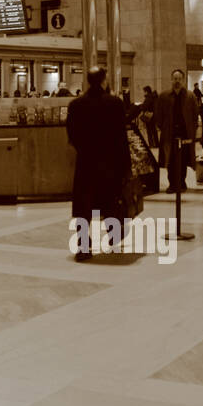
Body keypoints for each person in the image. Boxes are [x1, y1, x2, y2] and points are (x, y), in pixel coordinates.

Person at [65, 67, 131, 262]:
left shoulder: (76, 105)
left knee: (84, 206)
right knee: (111, 199)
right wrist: (126, 165)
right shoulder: (115, 103)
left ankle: (84, 246)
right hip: (110, 162)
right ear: (103, 81)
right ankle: (114, 233)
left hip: (86, 162)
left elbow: (72, 135)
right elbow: (121, 137)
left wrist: (84, 150)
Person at [152, 68, 198, 194]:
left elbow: (195, 115)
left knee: (183, 160)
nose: (177, 81)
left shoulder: (190, 96)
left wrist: (192, 130)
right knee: (170, 160)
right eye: (175, 79)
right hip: (169, 134)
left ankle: (182, 182)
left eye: (179, 79)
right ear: (172, 80)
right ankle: (172, 183)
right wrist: (163, 127)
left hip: (185, 134)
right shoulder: (164, 96)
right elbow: (158, 114)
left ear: (183, 80)